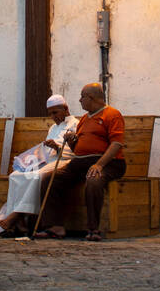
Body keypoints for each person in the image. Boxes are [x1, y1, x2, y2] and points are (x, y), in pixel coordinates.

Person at [37, 82, 126, 242]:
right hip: (80, 162)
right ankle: (54, 226)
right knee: (50, 178)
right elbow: (78, 149)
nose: (79, 100)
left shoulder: (112, 114)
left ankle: (93, 229)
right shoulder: (84, 119)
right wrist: (71, 141)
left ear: (91, 98)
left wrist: (99, 165)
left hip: (108, 162)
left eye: (82, 97)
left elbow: (116, 144)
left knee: (93, 180)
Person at [0, 94, 78, 237]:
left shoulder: (76, 124)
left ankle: (16, 215)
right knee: (16, 175)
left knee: (38, 175)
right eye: (50, 114)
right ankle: (20, 222)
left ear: (65, 108)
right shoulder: (52, 128)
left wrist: (57, 147)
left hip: (64, 162)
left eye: (55, 112)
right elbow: (45, 151)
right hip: (47, 161)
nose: (53, 116)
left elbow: (74, 151)